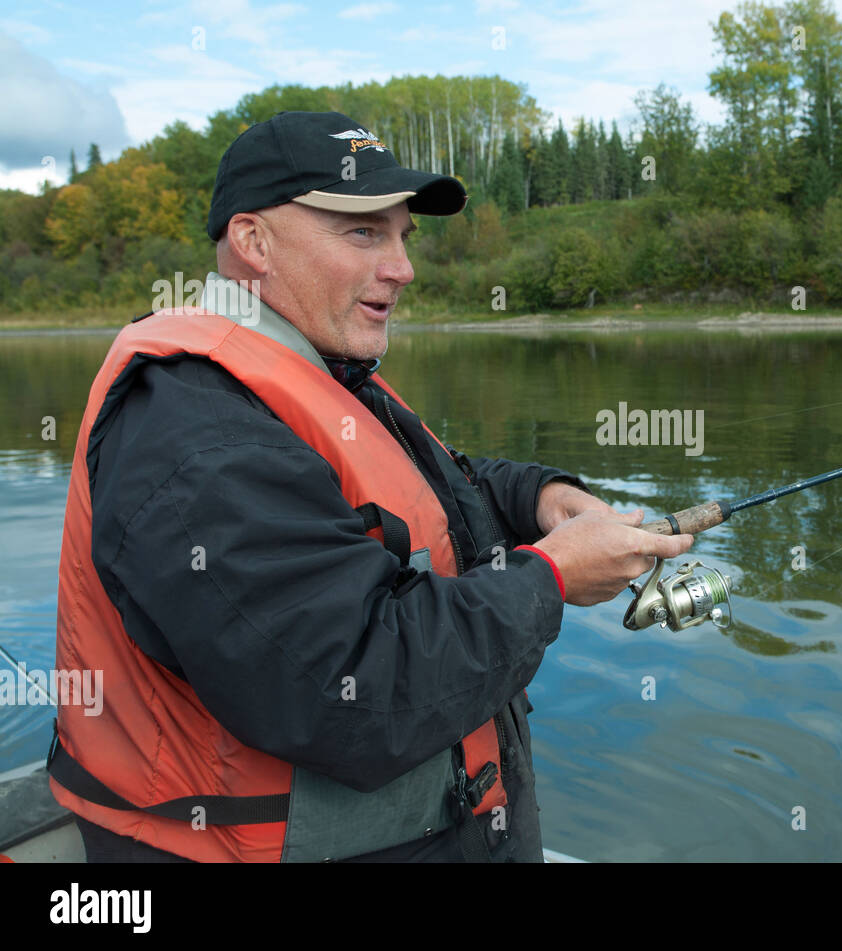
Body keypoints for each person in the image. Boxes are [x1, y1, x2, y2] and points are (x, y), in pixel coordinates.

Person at [47, 110, 693, 863]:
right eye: (363, 233)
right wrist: (548, 581)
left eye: (402, 237)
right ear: (253, 241)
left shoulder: (317, 369)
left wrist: (541, 499)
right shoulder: (195, 429)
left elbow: (437, 490)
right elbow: (349, 689)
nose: (402, 268)